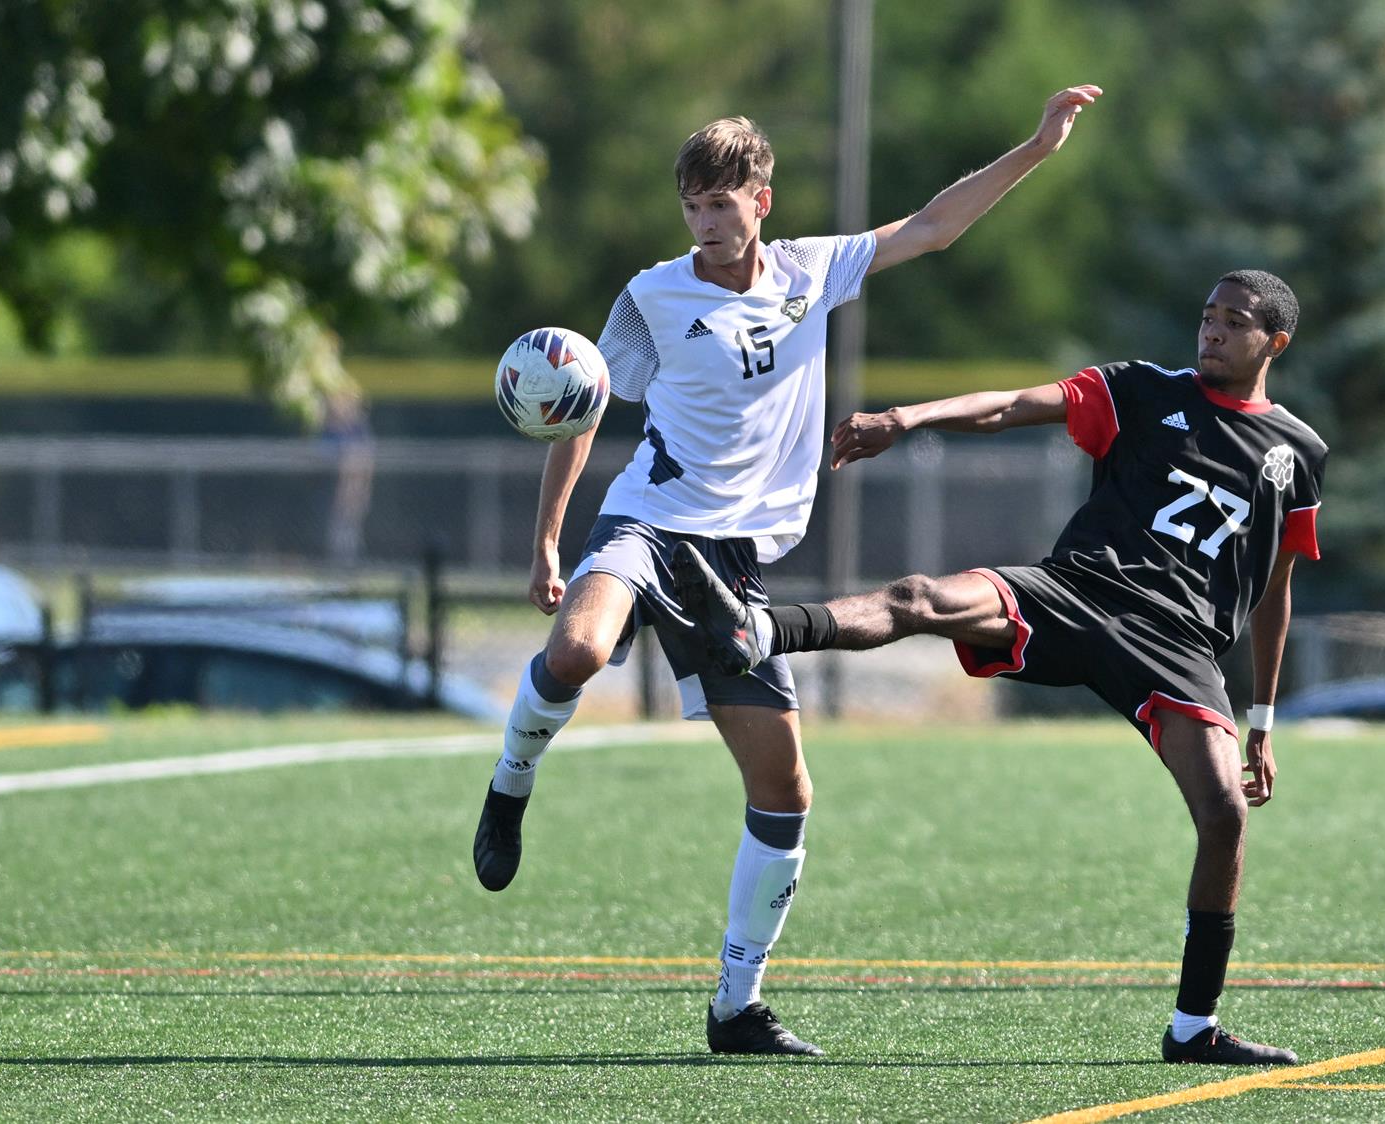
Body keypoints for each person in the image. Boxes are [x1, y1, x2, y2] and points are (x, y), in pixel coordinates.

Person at [472, 85, 1104, 1058]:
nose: (706, 224)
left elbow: (933, 227)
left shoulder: (813, 269)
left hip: (736, 560)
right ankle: (510, 785)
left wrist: (1034, 146)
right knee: (579, 649)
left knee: (785, 790)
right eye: (691, 207)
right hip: (651, 519)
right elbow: (586, 402)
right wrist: (548, 539)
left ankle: (737, 1007)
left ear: (759, 200)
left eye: (721, 205)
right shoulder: (650, 294)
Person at [673, 269, 1324, 1066]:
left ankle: (1194, 1028)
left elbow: (1275, 590)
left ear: (1275, 342)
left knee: (1225, 814)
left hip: (1179, 646)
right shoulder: (1144, 391)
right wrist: (906, 417)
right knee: (919, 597)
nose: (1213, 331)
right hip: (1076, 590)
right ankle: (756, 634)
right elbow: (1016, 405)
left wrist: (1261, 721)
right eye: (1208, 316)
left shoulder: (1298, 453)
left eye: (1235, 322)